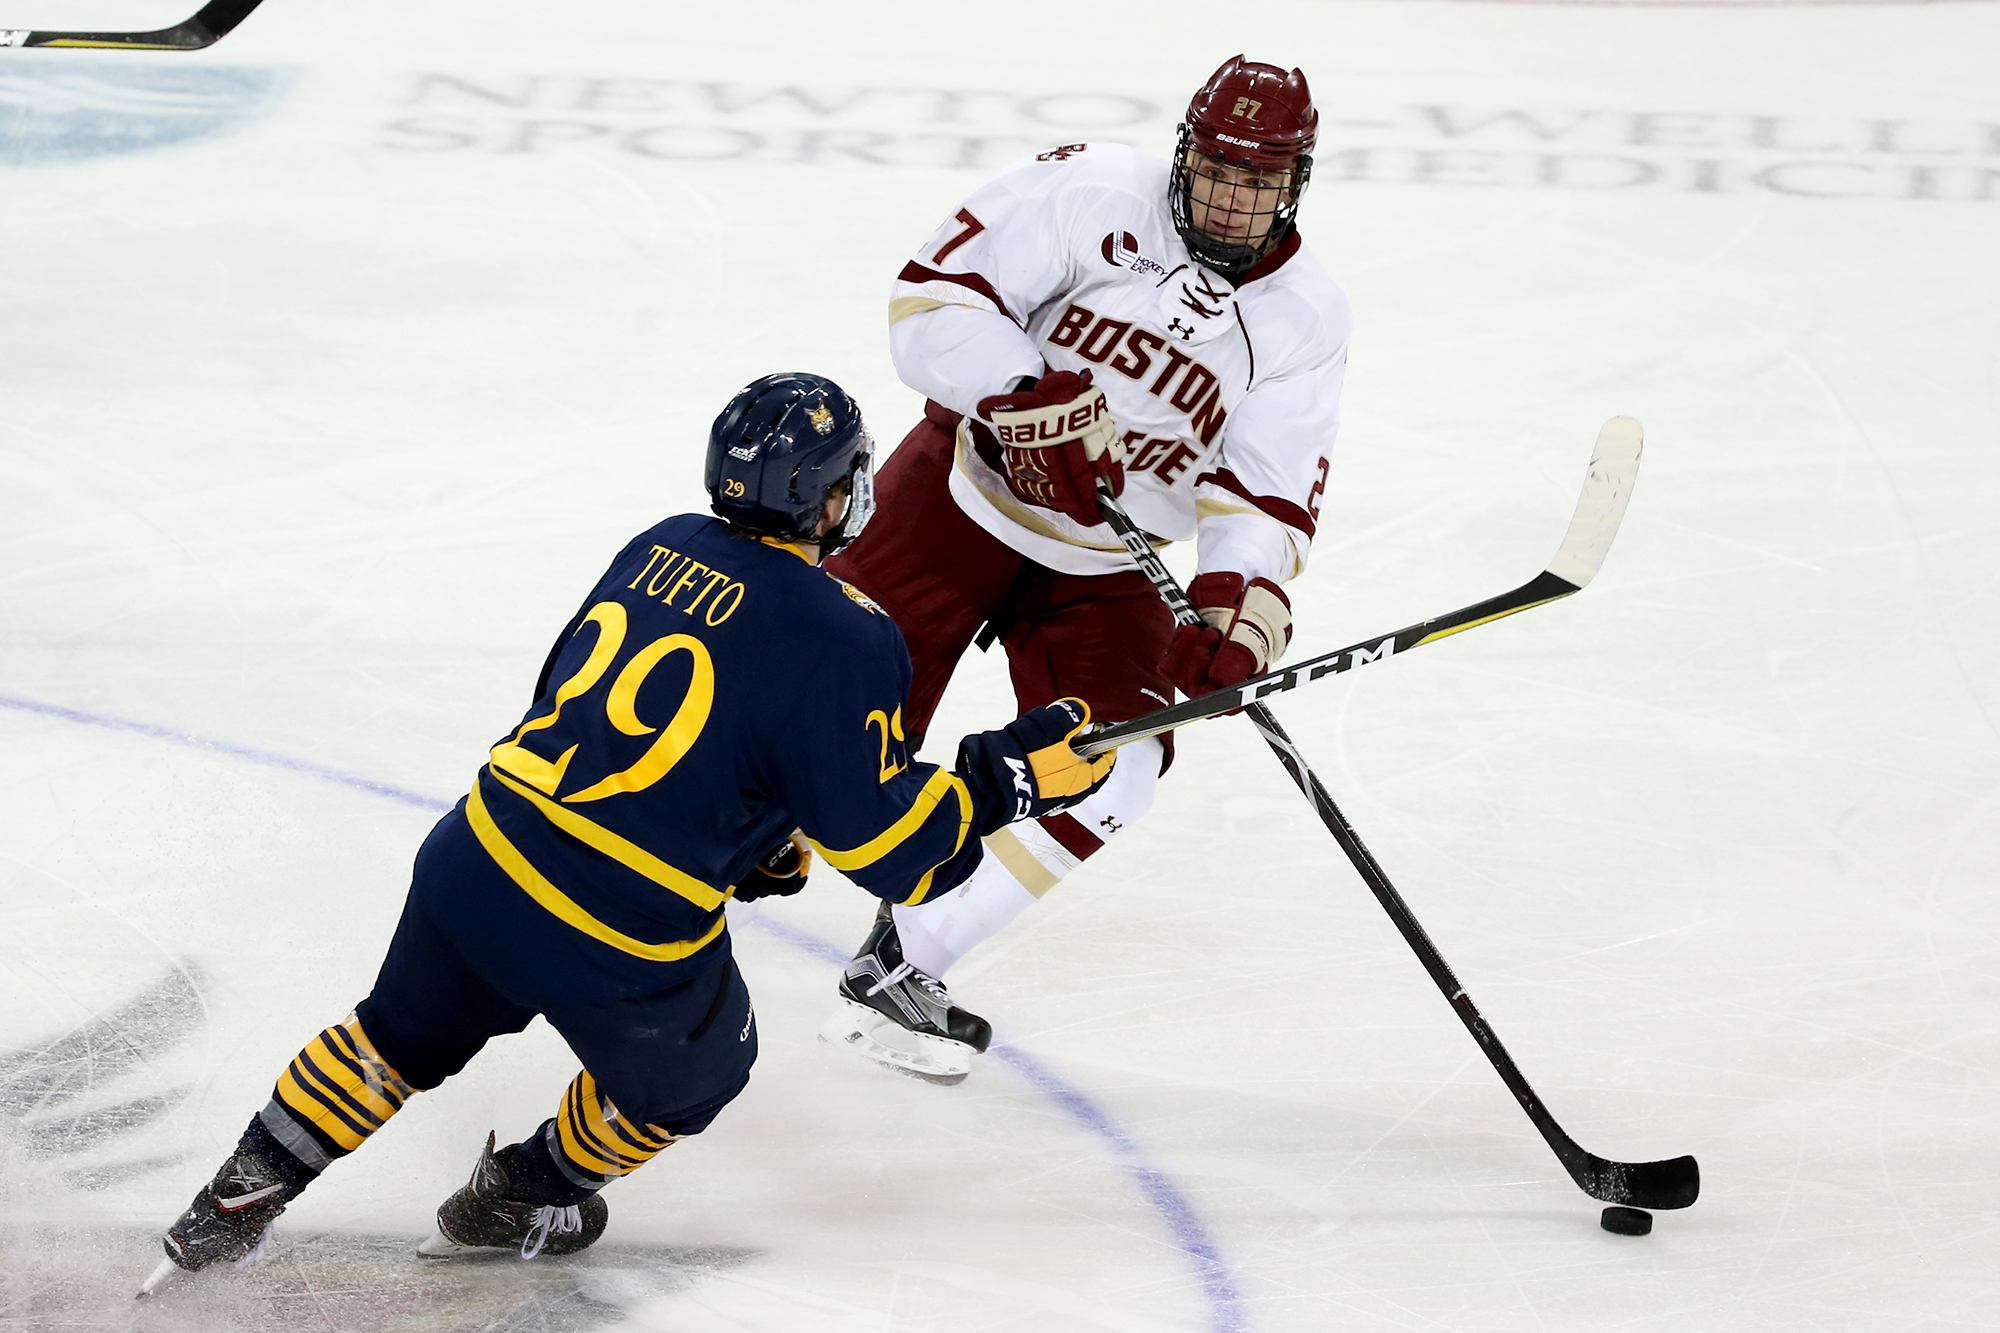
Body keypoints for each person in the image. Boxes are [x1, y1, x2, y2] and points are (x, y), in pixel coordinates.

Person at [141, 373, 1117, 1291]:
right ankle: (521, 1193)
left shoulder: (662, 542)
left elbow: (564, 701)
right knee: (705, 1068)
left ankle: (221, 1210)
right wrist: (1013, 776)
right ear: (827, 500)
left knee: (388, 1039)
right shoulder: (848, 631)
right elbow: (898, 854)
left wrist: (758, 836)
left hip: (477, 853)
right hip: (617, 931)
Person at [819, 56, 1351, 1083]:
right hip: (958, 490)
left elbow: (1266, 492)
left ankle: (906, 956)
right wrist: (1023, 390)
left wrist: (1233, 605)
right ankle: (638, 888)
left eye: (1257, 181)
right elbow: (931, 301)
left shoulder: (1305, 317)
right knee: (802, 704)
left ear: (1295, 183)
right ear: (1185, 154)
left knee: (1124, 760)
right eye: (1215, 170)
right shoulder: (1089, 190)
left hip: (1107, 562)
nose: (1230, 199)